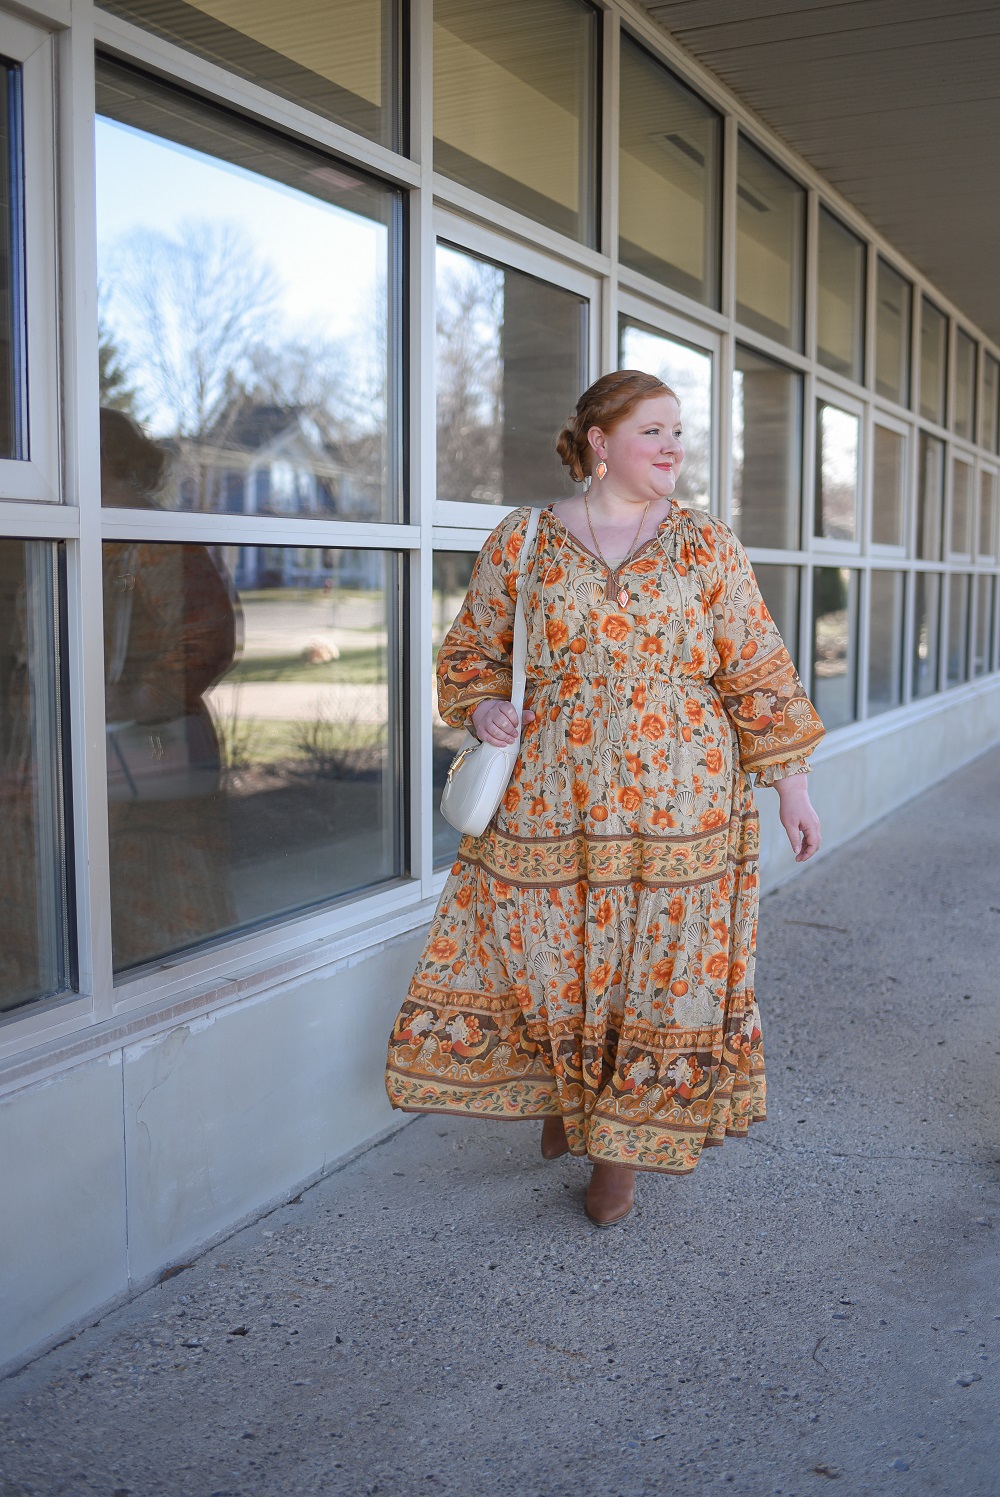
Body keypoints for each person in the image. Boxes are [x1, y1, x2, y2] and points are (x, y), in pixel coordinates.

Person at [385, 370, 824, 1226]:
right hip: (552, 796)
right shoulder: (524, 540)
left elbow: (757, 667)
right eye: (653, 431)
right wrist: (481, 702)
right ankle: (566, 1093)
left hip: (684, 802)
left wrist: (793, 790)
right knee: (550, 959)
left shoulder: (706, 544)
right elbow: (469, 649)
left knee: (659, 973)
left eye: (678, 433)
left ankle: (619, 1154)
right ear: (599, 441)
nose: (672, 448)